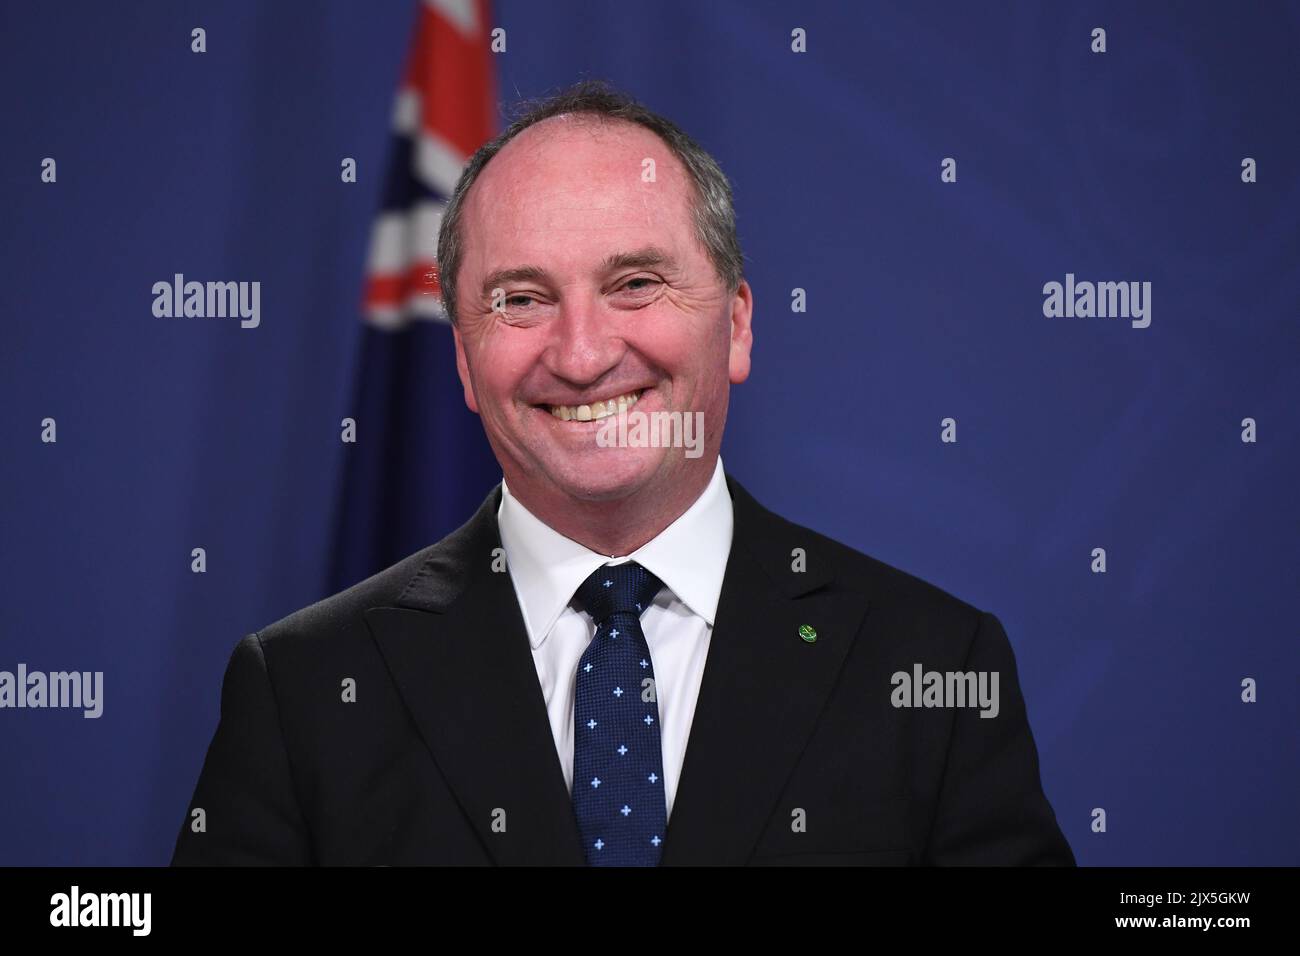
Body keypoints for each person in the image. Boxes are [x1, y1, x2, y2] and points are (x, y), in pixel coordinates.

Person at [171, 80, 1074, 866]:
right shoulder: (300, 692)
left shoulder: (932, 667)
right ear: (461, 362)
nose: (583, 352)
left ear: (738, 325)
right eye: (521, 300)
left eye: (636, 283)